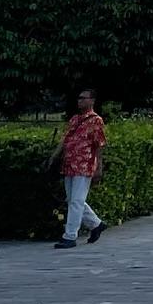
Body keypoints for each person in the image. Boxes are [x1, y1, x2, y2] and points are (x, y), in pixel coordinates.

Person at [55, 89, 107, 249]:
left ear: (92, 101)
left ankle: (70, 236)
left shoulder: (96, 120)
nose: (80, 101)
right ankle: (96, 224)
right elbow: (65, 140)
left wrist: (98, 167)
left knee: (76, 201)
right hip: (69, 164)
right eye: (79, 98)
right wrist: (54, 156)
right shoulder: (75, 119)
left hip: (84, 165)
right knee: (73, 200)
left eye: (83, 98)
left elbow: (99, 145)